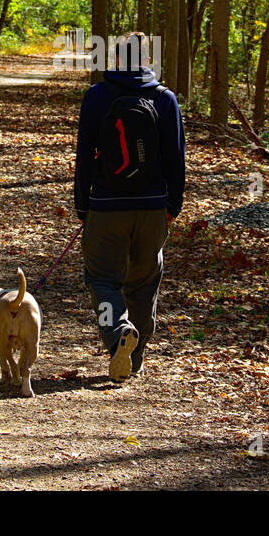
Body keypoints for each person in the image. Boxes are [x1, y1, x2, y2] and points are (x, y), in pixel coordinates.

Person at [73, 32, 185, 381]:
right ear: (147, 60)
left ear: (116, 60)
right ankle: (134, 358)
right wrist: (173, 206)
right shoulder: (165, 99)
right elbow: (177, 160)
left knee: (102, 279)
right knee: (144, 282)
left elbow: (83, 157)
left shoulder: (96, 97)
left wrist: (83, 205)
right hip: (152, 208)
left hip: (106, 207)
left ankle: (115, 331)